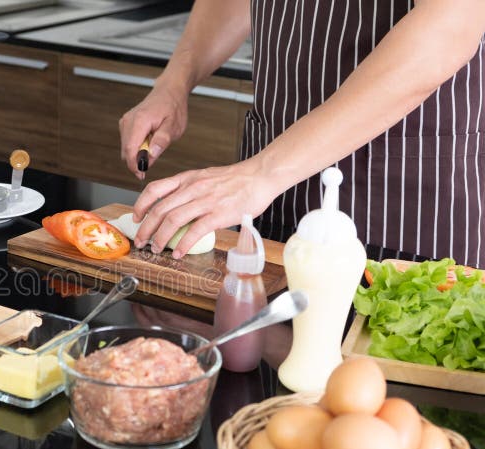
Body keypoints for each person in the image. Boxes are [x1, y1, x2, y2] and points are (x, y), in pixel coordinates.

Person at [119, 0, 485, 267]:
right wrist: (174, 83)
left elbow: (450, 25)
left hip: (401, 201)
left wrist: (262, 173)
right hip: (275, 190)